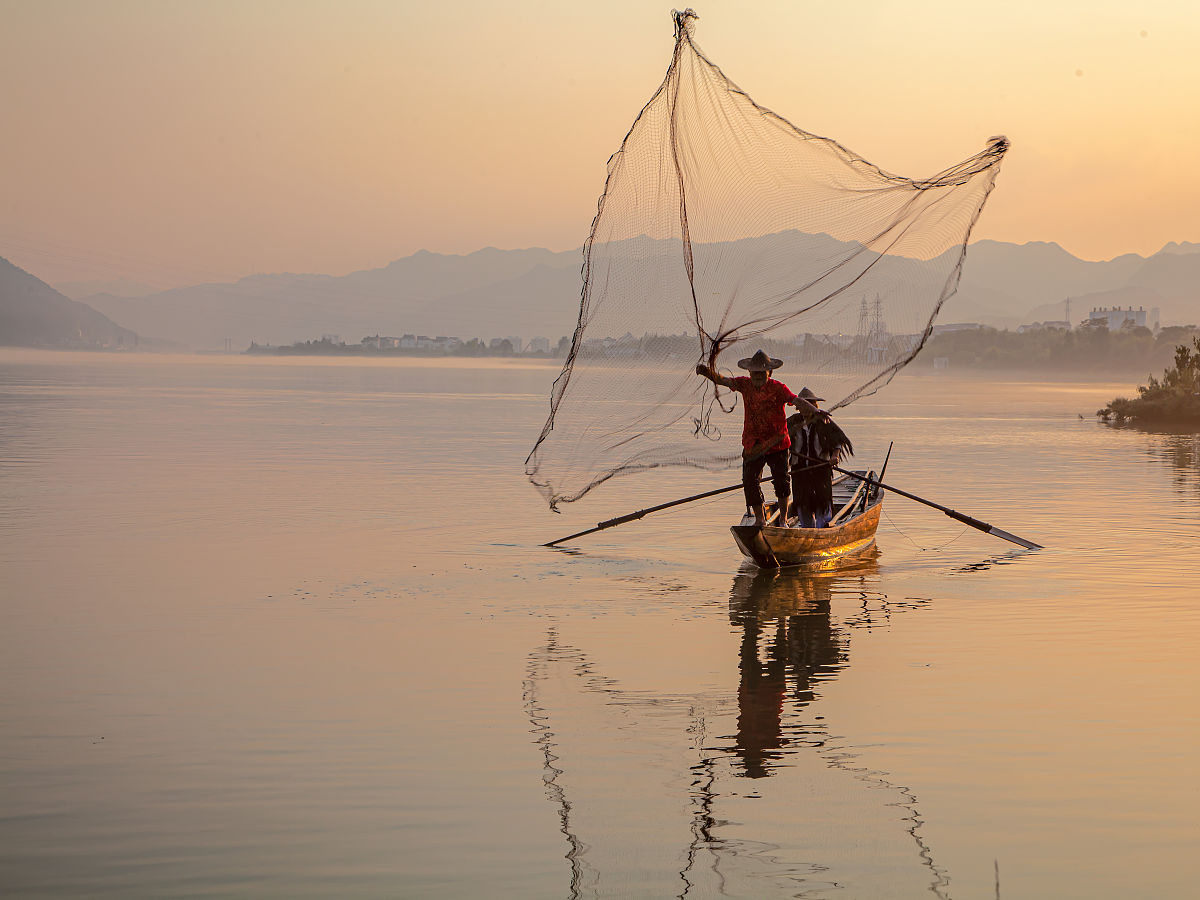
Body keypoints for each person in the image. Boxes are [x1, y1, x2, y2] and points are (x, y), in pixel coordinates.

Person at [696, 350, 815, 528]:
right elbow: (723, 380)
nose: (758, 376)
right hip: (753, 445)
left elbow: (795, 400)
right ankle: (760, 519)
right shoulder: (744, 385)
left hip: (778, 444)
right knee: (750, 481)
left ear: (770, 373)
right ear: (749, 373)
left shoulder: (779, 388)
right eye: (755, 373)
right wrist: (707, 373)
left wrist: (816, 411)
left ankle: (783, 519)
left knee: (781, 481)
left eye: (762, 373)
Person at [787, 387, 854, 528]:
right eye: (802, 405)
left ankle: (822, 528)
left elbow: (838, 441)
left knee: (822, 502)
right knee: (802, 501)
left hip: (820, 468)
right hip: (799, 470)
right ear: (798, 407)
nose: (805, 408)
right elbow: (780, 442)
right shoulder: (791, 422)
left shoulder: (824, 421)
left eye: (809, 404)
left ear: (814, 406)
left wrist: (834, 457)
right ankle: (807, 530)